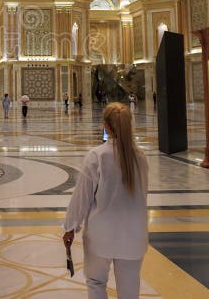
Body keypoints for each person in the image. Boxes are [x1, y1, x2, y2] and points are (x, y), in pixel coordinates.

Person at [63, 103, 148, 299]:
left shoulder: (97, 156)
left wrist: (70, 227)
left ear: (106, 126)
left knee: (96, 283)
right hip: (134, 234)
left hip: (101, 235)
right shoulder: (141, 157)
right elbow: (142, 196)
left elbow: (81, 197)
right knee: (129, 292)